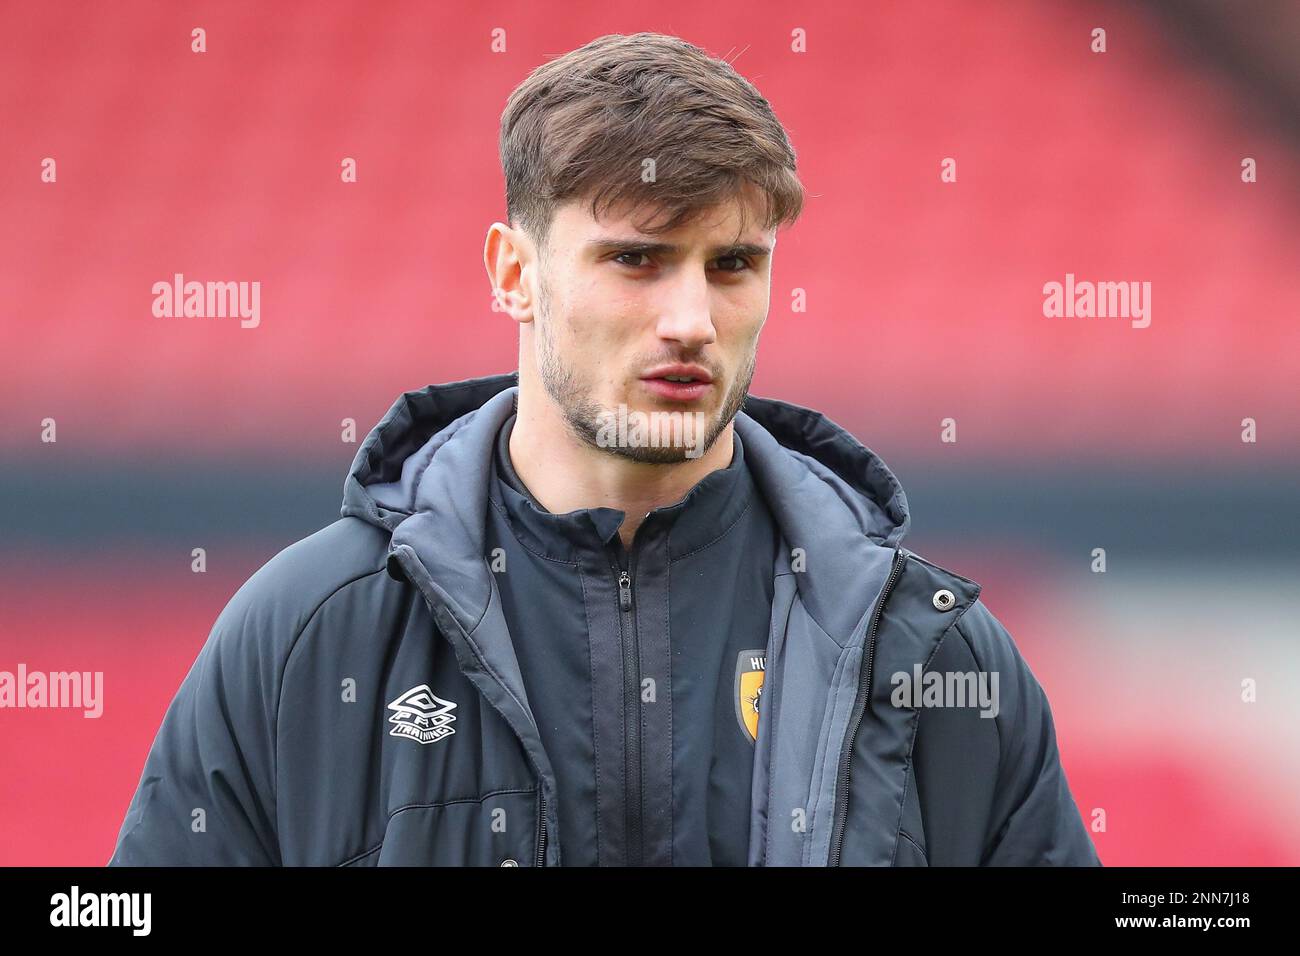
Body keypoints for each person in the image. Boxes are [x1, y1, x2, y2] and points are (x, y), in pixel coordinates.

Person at [109, 31, 1100, 867]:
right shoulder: (306, 632)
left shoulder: (927, 651)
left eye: (732, 265)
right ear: (514, 271)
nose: (690, 319)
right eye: (637, 258)